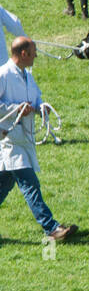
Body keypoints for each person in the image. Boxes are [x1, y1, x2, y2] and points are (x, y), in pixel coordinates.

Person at [1, 38, 78, 243]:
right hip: (9, 140)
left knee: (3, 186)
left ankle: (51, 228)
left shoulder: (27, 76)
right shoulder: (3, 75)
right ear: (24, 53)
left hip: (23, 140)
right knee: (30, 184)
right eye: (33, 51)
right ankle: (51, 228)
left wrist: (40, 107)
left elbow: (37, 99)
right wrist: (15, 109)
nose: (36, 55)